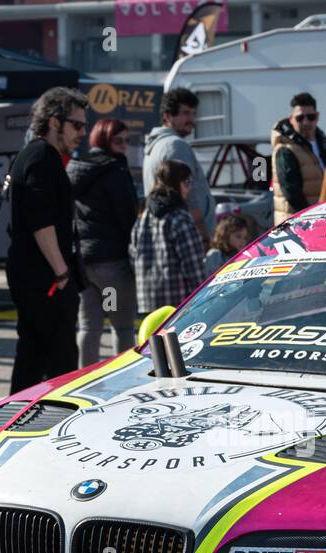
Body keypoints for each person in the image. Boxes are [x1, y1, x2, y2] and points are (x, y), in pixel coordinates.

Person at [6, 87, 89, 393]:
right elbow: (41, 222)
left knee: (33, 357)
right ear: (55, 122)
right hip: (46, 280)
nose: (82, 132)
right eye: (77, 125)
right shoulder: (42, 157)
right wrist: (62, 273)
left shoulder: (35, 154)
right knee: (60, 364)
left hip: (37, 277)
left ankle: (15, 426)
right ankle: (45, 430)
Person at [69, 117, 139, 366]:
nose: (124, 146)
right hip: (113, 262)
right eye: (118, 140)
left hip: (84, 263)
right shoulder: (114, 170)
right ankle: (125, 378)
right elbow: (127, 215)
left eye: (126, 141)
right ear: (105, 140)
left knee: (89, 327)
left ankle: (83, 378)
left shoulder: (75, 169)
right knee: (121, 327)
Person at [130, 159, 206, 315]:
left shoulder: (144, 215)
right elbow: (193, 263)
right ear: (175, 183)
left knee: (154, 340)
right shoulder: (179, 216)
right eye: (186, 182)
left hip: (148, 299)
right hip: (178, 301)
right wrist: (202, 297)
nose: (189, 188)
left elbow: (133, 254)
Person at [143, 88, 212, 242]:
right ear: (167, 116)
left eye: (194, 114)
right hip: (187, 236)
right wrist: (206, 239)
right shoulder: (176, 146)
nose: (192, 120)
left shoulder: (155, 145)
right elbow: (189, 197)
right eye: (186, 113)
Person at [270, 92, 326, 222]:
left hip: (320, 218)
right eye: (300, 118)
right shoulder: (285, 148)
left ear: (317, 116)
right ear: (291, 119)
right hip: (297, 223)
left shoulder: (323, 142)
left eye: (310, 117)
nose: (305, 122)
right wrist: (312, 217)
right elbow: (291, 192)